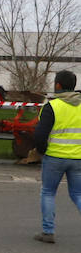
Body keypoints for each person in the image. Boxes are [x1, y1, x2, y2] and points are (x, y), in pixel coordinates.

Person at [32, 69, 81, 243]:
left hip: (54, 157)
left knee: (48, 192)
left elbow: (39, 135)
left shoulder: (52, 106)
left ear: (58, 85)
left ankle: (48, 232)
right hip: (78, 159)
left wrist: (42, 150)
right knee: (77, 194)